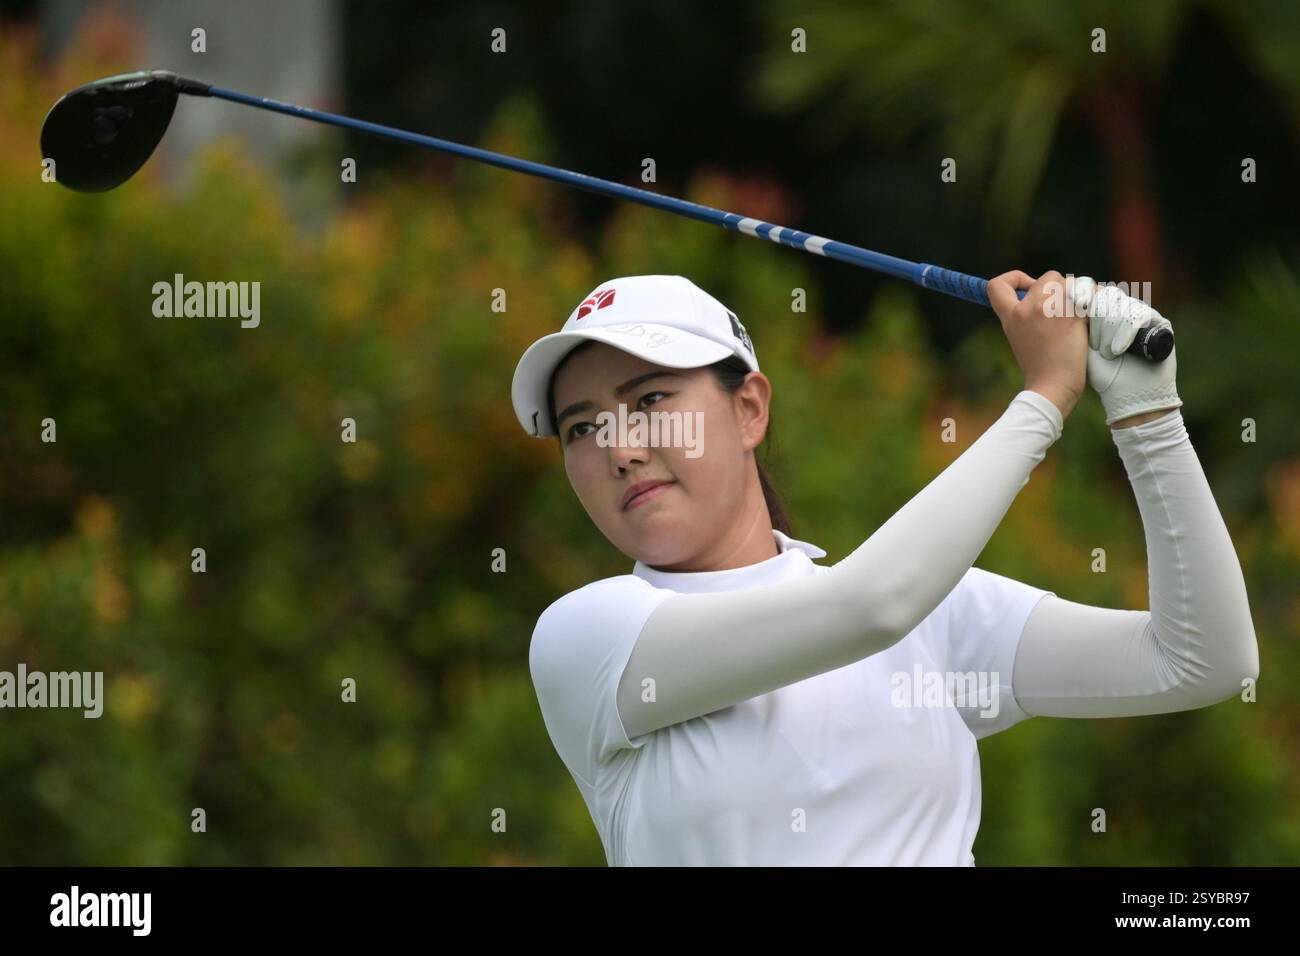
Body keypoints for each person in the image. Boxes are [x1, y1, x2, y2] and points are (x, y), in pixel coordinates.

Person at [509, 272, 1259, 866]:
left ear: (749, 410)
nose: (619, 449)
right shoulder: (590, 637)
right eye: (583, 428)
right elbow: (872, 606)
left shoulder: (941, 613)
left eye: (650, 400)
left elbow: (1200, 662)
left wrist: (1147, 415)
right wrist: (1044, 400)